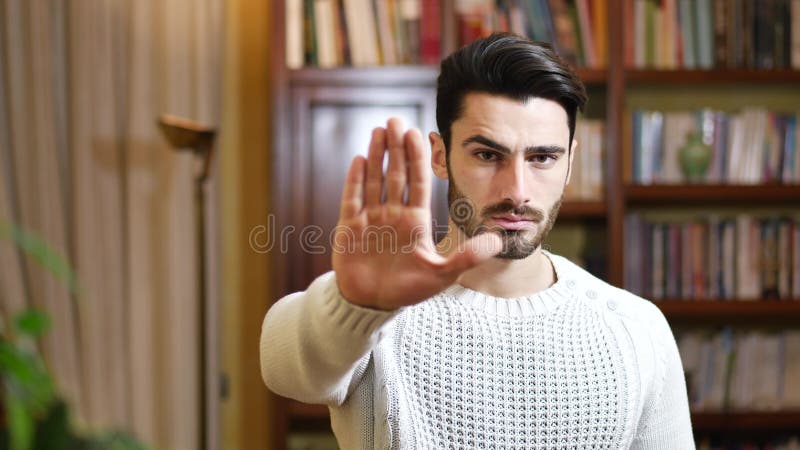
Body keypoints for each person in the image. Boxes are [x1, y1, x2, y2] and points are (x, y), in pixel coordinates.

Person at [260, 33, 694, 449]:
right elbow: (285, 368)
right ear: (440, 156)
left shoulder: (638, 329)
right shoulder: (377, 311)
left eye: (542, 158)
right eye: (488, 155)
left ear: (570, 163)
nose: (517, 191)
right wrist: (355, 307)